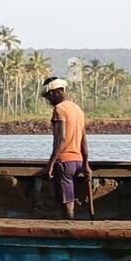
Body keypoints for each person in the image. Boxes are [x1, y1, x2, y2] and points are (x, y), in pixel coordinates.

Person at [41, 77, 90, 220]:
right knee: (69, 195)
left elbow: (61, 138)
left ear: (55, 92)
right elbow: (84, 142)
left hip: (65, 161)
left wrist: (50, 164)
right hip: (78, 161)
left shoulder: (60, 109)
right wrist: (86, 164)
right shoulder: (77, 109)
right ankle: (70, 221)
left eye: (48, 97)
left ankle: (69, 226)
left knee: (66, 199)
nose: (49, 101)